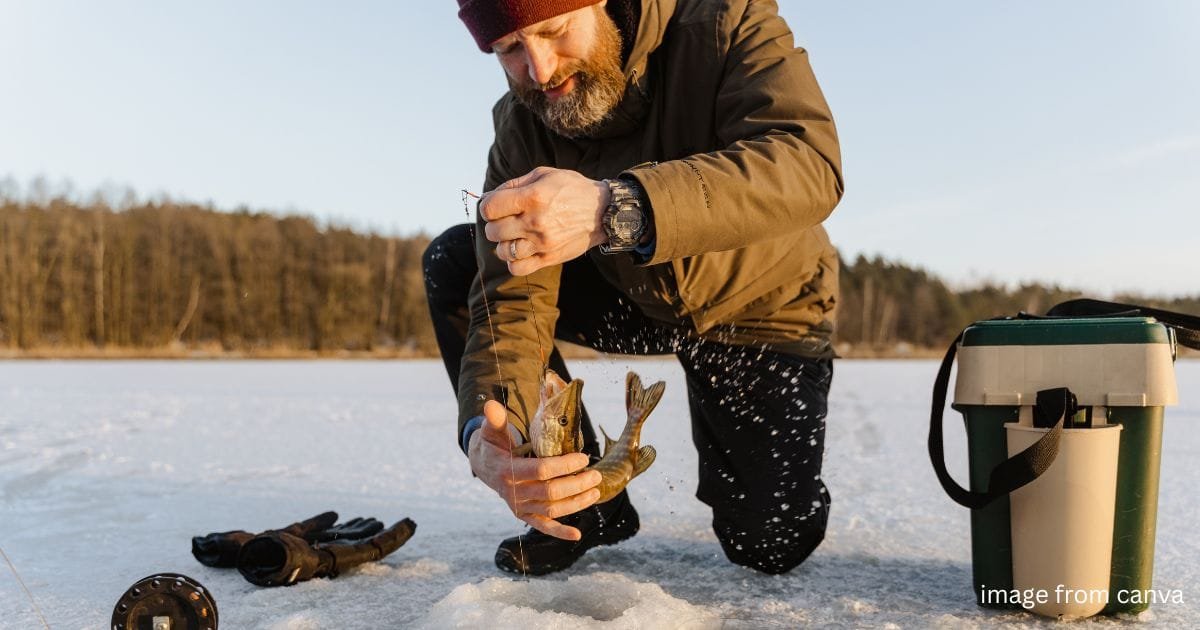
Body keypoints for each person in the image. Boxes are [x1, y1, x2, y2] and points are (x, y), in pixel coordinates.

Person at [425, 0, 843, 575]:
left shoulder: (724, 22)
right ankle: (590, 503)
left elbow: (807, 162)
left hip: (761, 309)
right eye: (509, 50)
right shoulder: (520, 127)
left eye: (551, 31)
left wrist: (615, 208)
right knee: (459, 258)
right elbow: (512, 300)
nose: (539, 69)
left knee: (768, 545)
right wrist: (488, 427)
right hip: (632, 298)